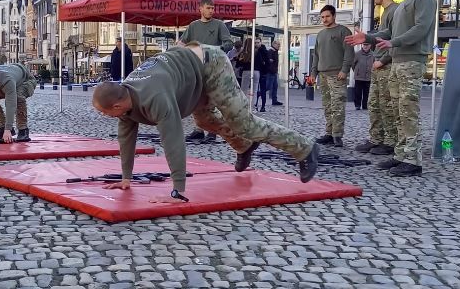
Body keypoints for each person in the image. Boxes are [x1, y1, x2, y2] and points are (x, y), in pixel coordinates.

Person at [91, 44, 321, 201]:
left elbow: (173, 140)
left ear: (118, 105)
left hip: (211, 64)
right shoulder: (124, 99)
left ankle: (304, 147)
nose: (103, 117)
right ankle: (244, 146)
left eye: (104, 112)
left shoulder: (154, 98)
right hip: (189, 76)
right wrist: (126, 178)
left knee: (244, 123)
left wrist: (177, 191)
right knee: (205, 120)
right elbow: (126, 137)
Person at [346, 0, 436, 177]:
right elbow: (388, 33)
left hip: (411, 62)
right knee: (397, 111)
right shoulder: (403, 3)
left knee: (408, 111)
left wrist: (393, 43)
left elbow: (421, 29)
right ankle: (401, 155)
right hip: (398, 62)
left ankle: (413, 160)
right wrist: (367, 37)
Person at [179, 0, 234, 143]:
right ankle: (198, 130)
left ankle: (213, 131)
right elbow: (182, 43)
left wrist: (215, 49)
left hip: (213, 68)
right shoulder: (193, 26)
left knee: (211, 100)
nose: (211, 11)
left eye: (212, 8)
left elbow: (229, 43)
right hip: (196, 67)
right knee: (196, 99)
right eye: (208, 8)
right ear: (201, 8)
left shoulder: (219, 25)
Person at [356, 0, 398, 156]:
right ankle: (376, 138)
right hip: (378, 65)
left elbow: (396, 40)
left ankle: (390, 142)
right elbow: (382, 38)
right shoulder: (385, 12)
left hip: (386, 66)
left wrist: (384, 60)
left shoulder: (395, 11)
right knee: (374, 104)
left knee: (386, 105)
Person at [309, 5, 354, 148]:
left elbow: (349, 52)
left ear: (334, 16)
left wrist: (345, 70)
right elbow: (316, 56)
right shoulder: (320, 34)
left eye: (327, 16)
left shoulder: (343, 31)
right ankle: (329, 133)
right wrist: (313, 73)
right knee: (327, 106)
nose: (324, 19)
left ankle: (337, 135)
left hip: (337, 75)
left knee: (338, 106)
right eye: (322, 17)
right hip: (323, 75)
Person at [352, 42, 374, 110]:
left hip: (369, 76)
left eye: (367, 45)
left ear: (370, 45)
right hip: (359, 76)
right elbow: (353, 64)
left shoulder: (373, 54)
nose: (365, 46)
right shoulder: (357, 54)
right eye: (364, 45)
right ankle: (357, 105)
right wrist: (357, 71)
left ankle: (365, 105)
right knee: (357, 92)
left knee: (367, 92)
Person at [264, 39, 282, 106]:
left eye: (279, 44)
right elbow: (270, 61)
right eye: (278, 44)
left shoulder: (275, 51)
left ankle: (274, 100)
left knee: (275, 86)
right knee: (268, 86)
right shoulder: (271, 51)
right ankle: (259, 93)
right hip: (270, 72)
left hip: (274, 72)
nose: (279, 46)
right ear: (274, 44)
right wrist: (271, 69)